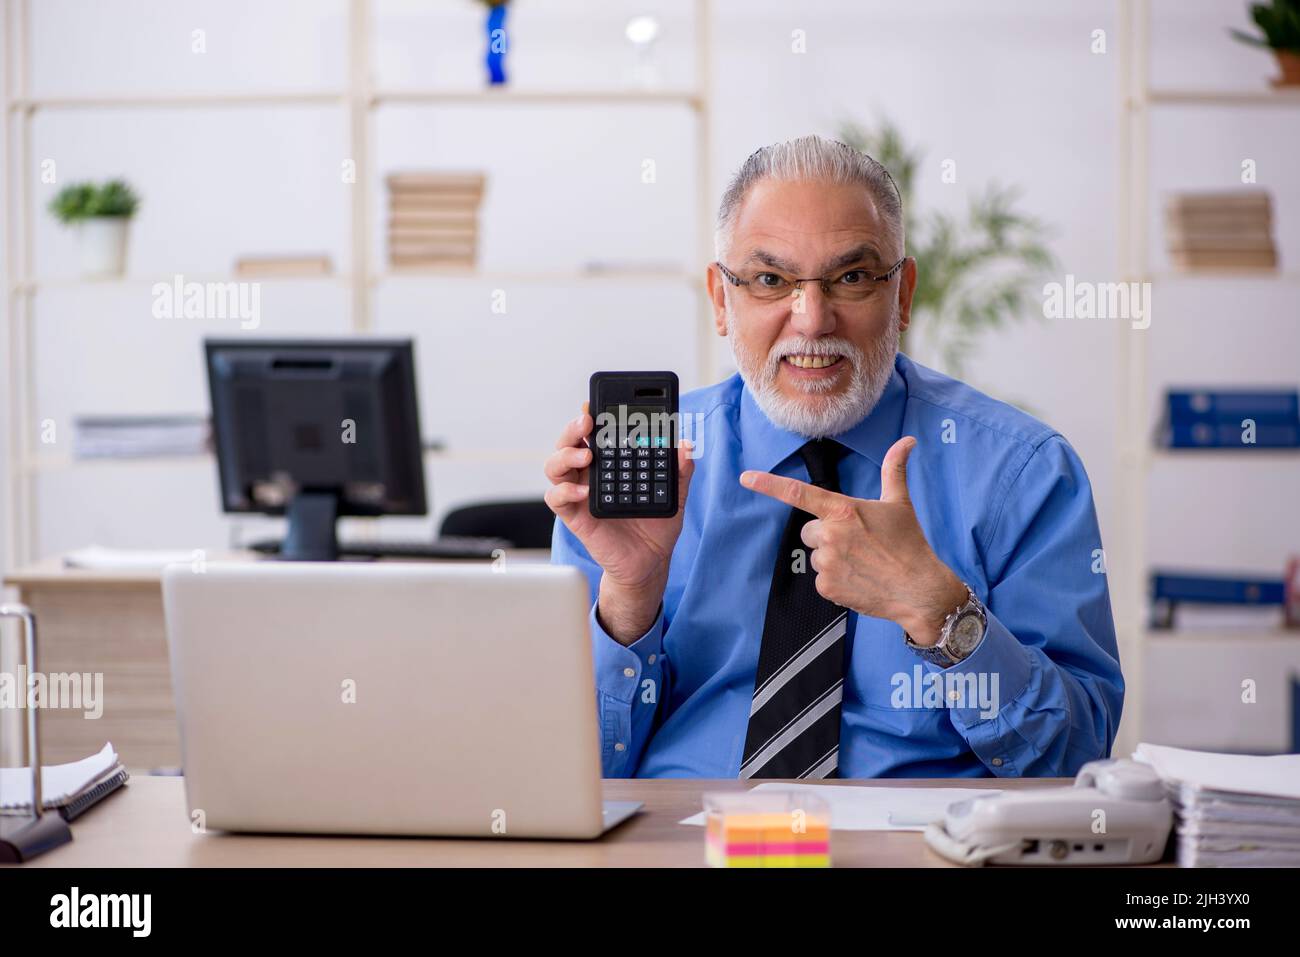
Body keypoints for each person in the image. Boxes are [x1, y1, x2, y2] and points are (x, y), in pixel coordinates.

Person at [545, 135, 1123, 779]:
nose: (812, 319)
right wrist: (630, 595)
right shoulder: (638, 475)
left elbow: (1078, 757)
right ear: (720, 300)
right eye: (770, 280)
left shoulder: (1025, 473)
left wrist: (942, 613)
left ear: (901, 295)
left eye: (851, 277)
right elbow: (565, 774)